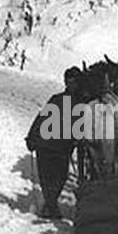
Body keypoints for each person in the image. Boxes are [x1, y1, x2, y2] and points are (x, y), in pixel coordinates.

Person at [25, 67, 82, 219]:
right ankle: (50, 208)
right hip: (49, 145)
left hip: (58, 146)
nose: (71, 84)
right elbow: (42, 118)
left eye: (74, 81)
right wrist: (32, 137)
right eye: (69, 81)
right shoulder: (59, 99)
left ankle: (49, 207)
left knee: (58, 178)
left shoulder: (76, 102)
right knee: (52, 178)